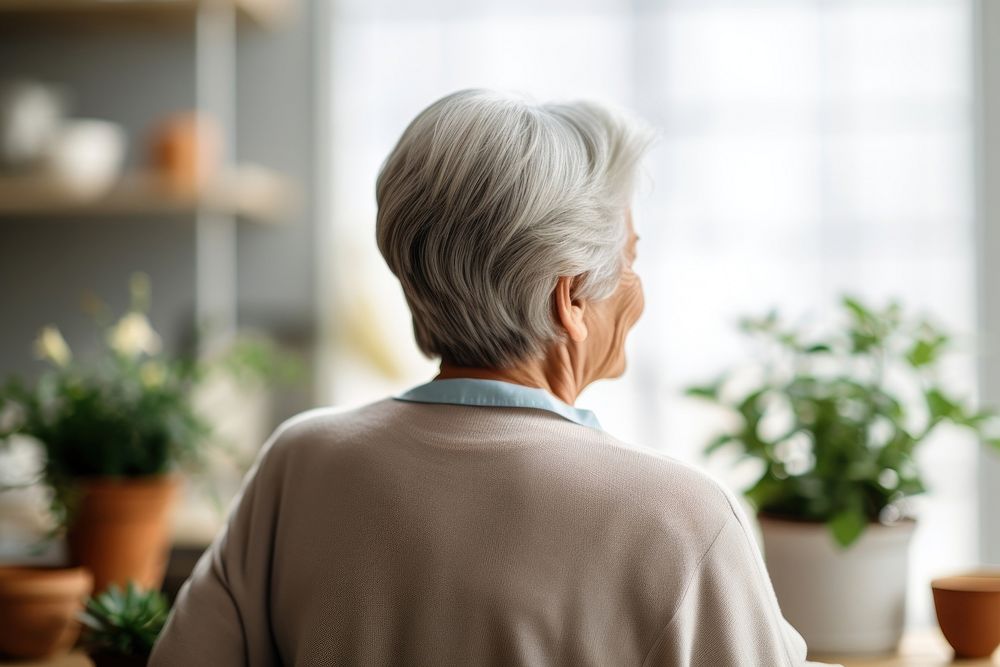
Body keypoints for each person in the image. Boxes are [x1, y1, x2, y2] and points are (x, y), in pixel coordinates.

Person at [150, 89, 830, 666]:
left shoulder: (298, 463)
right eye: (630, 257)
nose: (638, 287)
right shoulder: (683, 519)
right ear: (570, 299)